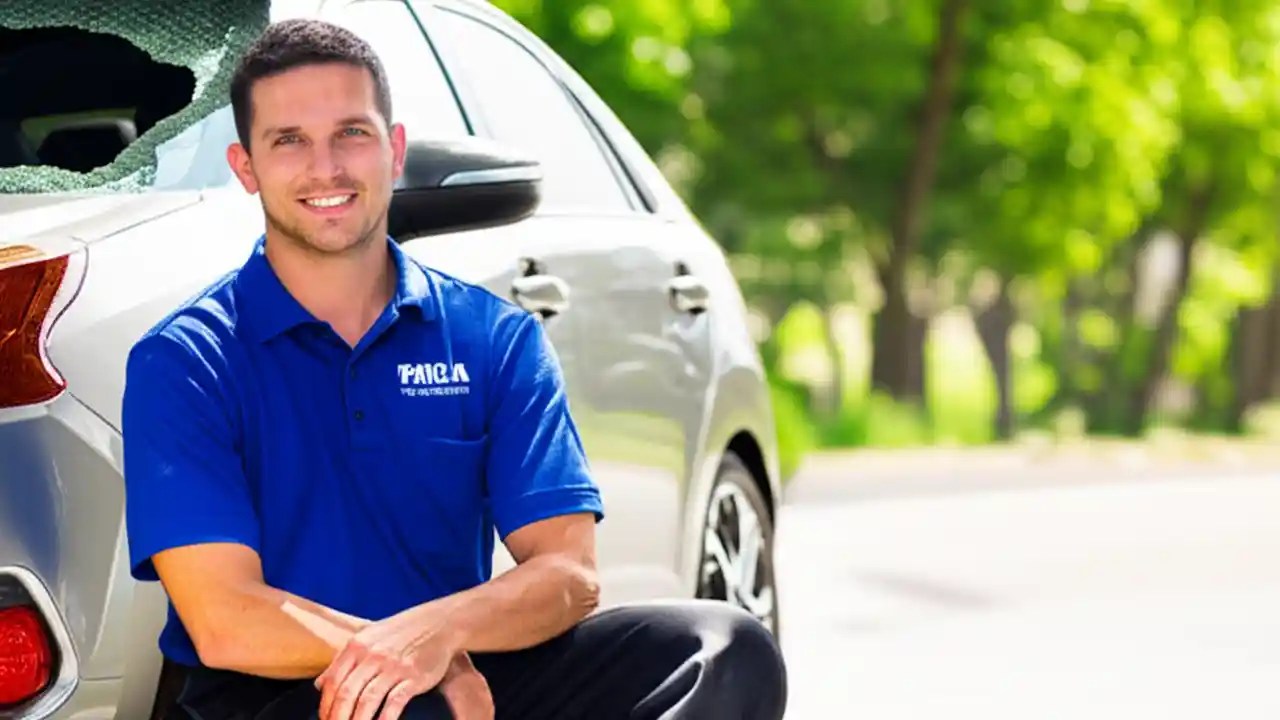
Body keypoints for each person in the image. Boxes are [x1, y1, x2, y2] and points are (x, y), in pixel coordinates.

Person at [121, 18, 787, 720]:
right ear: (246, 167)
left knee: (726, 648)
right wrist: (413, 663)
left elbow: (567, 574)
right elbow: (225, 620)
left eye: (352, 133)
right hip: (274, 698)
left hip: (461, 671)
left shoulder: (492, 340)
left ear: (395, 149)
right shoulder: (186, 360)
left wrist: (437, 639)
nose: (326, 168)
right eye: (290, 141)